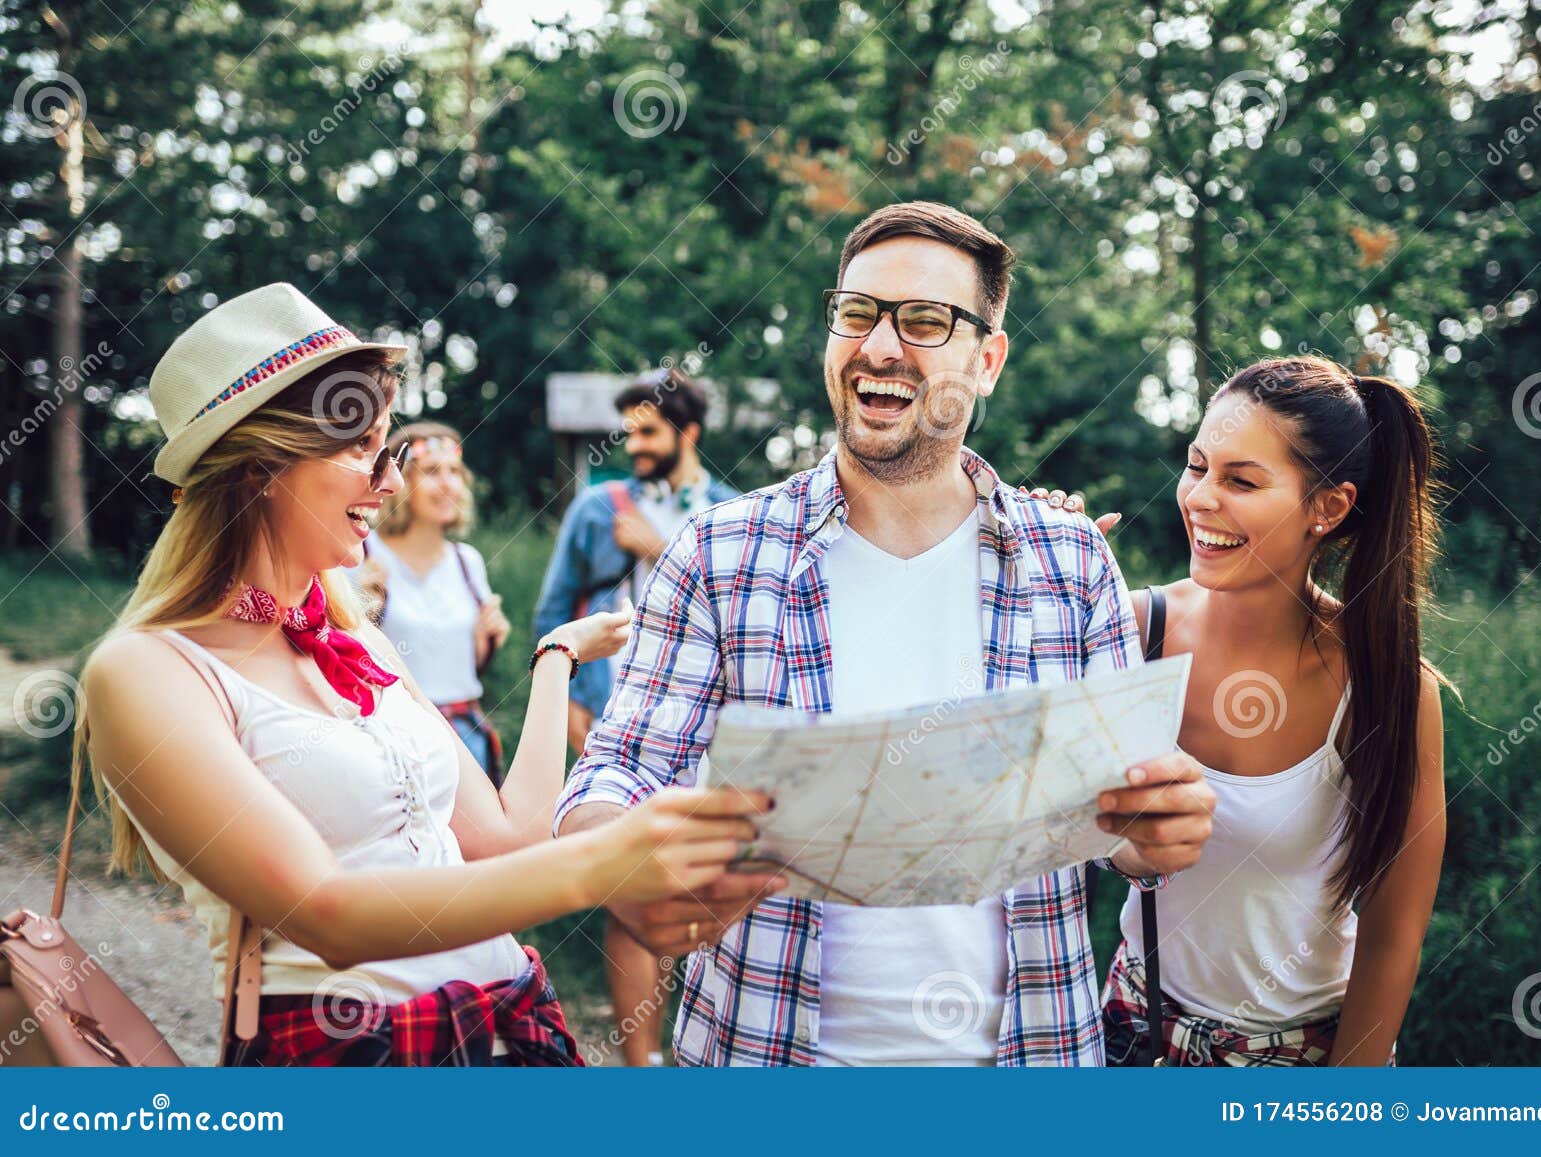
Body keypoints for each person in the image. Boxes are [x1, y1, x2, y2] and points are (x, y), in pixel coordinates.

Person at [554, 202, 1217, 1067]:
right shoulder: (722, 551)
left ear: (987, 361)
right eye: (857, 311)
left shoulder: (1073, 559)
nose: (878, 346)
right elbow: (618, 769)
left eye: (925, 321)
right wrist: (625, 853)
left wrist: (1154, 834)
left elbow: (1118, 825)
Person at [74, 283, 773, 1067]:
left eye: (390, 449)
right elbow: (330, 914)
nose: (392, 481)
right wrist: (603, 867)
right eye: (360, 448)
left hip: (511, 1031)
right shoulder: (147, 669)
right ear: (257, 469)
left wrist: (556, 659)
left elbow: (509, 839)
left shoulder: (358, 640)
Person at [1080, 356, 1447, 1066]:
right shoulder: (1128, 633)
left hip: (1298, 1058)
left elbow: (1394, 936)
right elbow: (1009, 801)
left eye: (1241, 479)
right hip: (1130, 1034)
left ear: (1328, 508)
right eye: (1196, 466)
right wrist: (1046, 580)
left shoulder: (1385, 688)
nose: (1200, 497)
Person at [533, 366, 738, 1065]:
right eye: (629, 430)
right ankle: (640, 1061)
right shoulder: (597, 507)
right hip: (622, 728)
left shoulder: (730, 511)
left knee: (705, 891)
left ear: (689, 432)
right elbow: (551, 613)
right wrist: (570, 718)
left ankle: (701, 1045)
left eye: (648, 430)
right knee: (633, 890)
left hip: (714, 736)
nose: (635, 443)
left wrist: (656, 549)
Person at [353, 422, 512, 784]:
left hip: (467, 738)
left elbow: (463, 663)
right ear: (399, 481)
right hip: (395, 738)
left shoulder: (466, 562)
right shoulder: (364, 556)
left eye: (455, 472)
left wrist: (486, 641)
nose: (448, 484)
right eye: (431, 471)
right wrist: (366, 611)